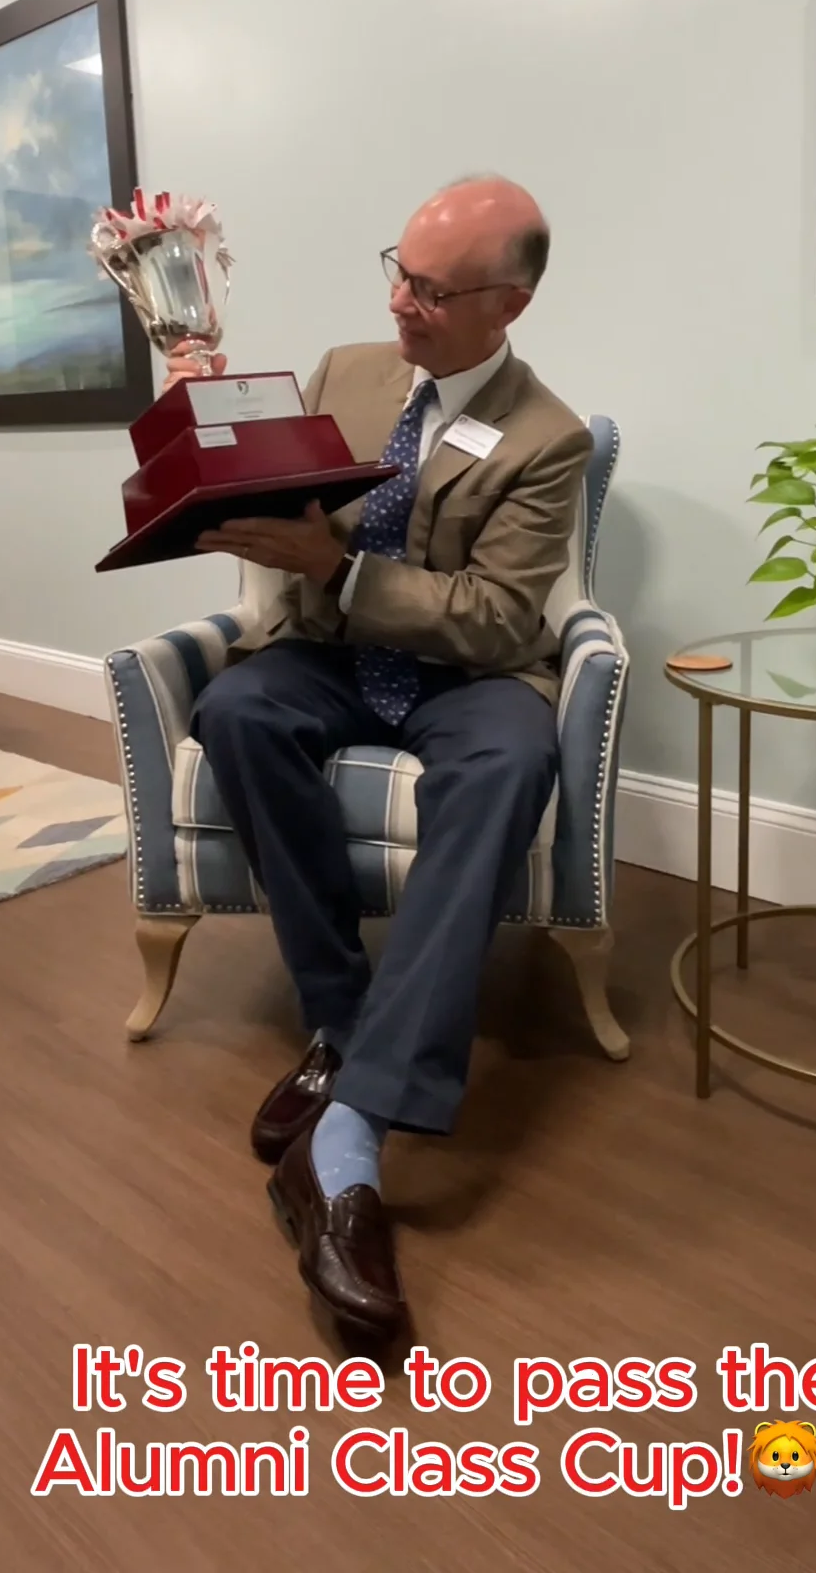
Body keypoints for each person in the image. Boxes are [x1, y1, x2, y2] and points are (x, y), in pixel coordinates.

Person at [167, 176, 592, 1344]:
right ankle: (344, 1018)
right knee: (238, 710)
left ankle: (350, 1130)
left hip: (469, 679)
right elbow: (278, 490)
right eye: (399, 273)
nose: (402, 302)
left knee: (511, 764)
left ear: (508, 305)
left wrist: (339, 566)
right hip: (331, 655)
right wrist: (207, 424)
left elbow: (497, 619)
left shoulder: (547, 437)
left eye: (434, 291)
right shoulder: (347, 372)